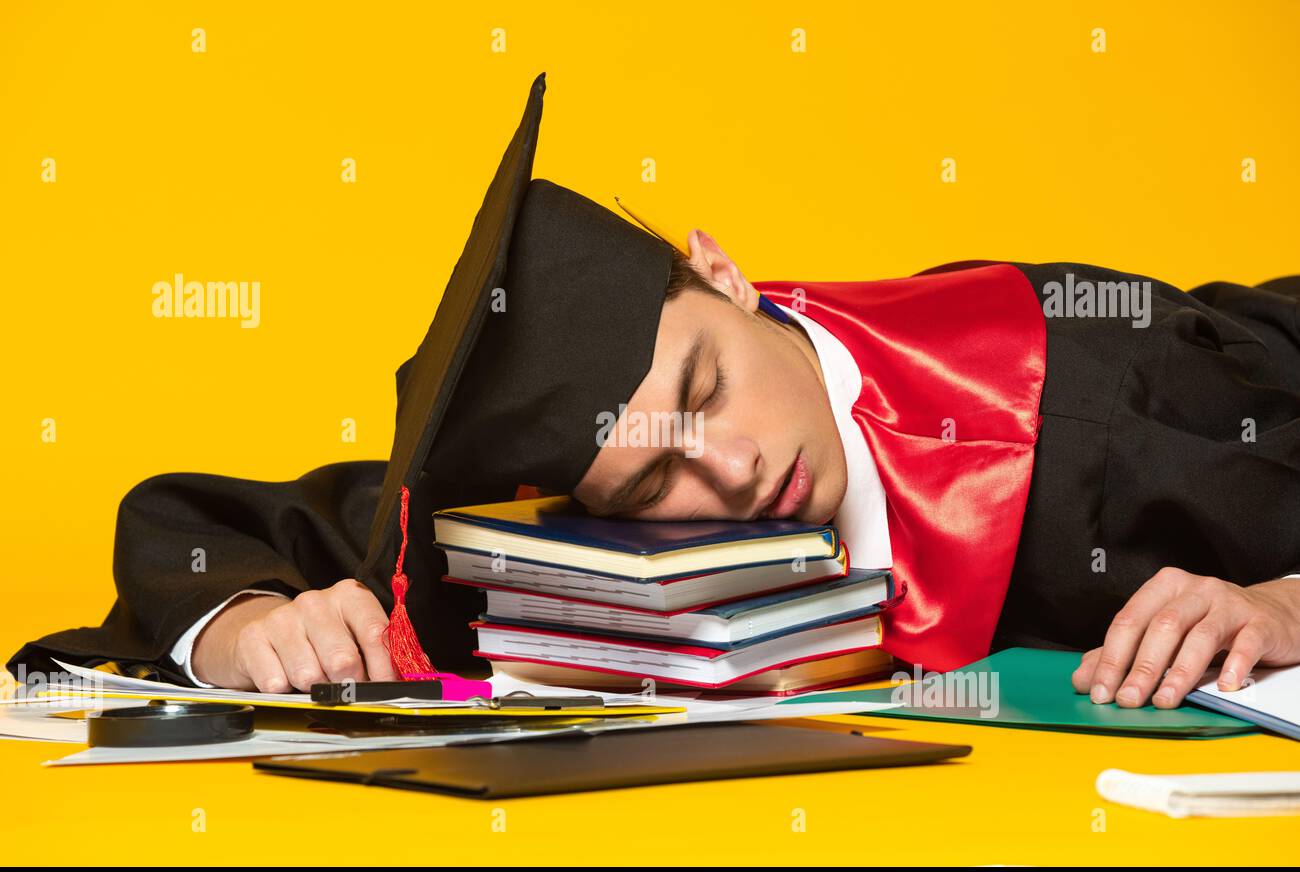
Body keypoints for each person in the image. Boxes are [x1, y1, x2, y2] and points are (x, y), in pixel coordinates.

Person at [10, 74, 1300, 710]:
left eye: (706, 386)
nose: (730, 471)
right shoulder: (566, 553)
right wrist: (241, 630)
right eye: (651, 480)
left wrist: (1287, 603)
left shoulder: (1111, 387)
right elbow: (196, 525)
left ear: (724, 276)